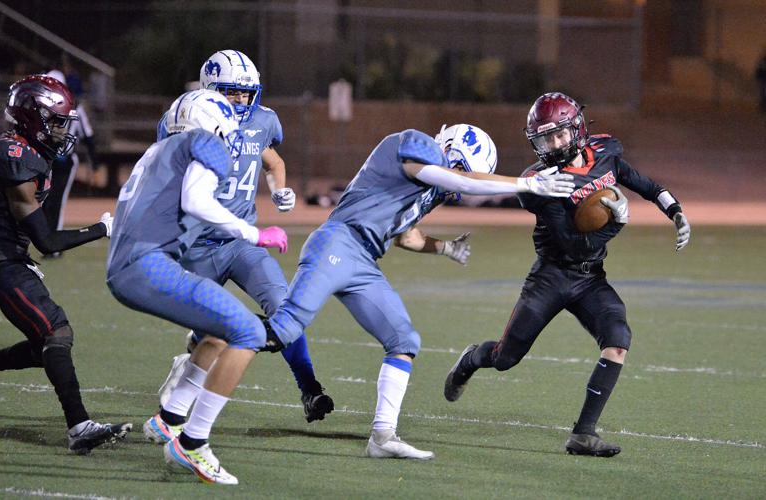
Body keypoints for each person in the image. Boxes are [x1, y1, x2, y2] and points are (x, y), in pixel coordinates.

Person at [261, 123, 575, 460]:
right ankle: (209, 346)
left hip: (364, 262)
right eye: (459, 170)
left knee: (403, 340)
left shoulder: (430, 188)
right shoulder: (414, 145)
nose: (457, 184)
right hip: (337, 242)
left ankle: (382, 436)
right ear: (452, 153)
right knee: (285, 328)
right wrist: (527, 183)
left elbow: (405, 234)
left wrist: (445, 249)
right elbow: (460, 181)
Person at [443, 92, 692, 458]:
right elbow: (574, 245)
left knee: (618, 338)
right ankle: (470, 359)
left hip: (591, 278)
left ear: (576, 128)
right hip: (552, 276)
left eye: (559, 134)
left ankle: (583, 434)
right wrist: (616, 224)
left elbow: (642, 183)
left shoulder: (605, 151)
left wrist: (675, 211)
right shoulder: (542, 183)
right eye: (546, 138)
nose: (555, 144)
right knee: (505, 358)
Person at [146, 50, 333, 443]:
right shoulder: (186, 119)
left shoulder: (262, 120)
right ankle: (183, 390)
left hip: (241, 241)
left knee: (286, 309)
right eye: (233, 93)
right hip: (194, 245)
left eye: (248, 93)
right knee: (213, 334)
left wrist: (279, 188)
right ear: (211, 89)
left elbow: (272, 159)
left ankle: (310, 388)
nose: (243, 102)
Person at [106, 89, 288, 485]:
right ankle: (193, 441)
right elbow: (196, 200)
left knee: (219, 332)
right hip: (148, 264)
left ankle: (167, 420)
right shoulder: (204, 142)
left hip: (124, 265)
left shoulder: (158, 150)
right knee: (250, 331)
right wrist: (254, 234)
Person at [0, 74, 130, 454]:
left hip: (3, 256)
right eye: (58, 120)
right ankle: (79, 427)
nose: (64, 129)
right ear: (33, 117)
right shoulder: (13, 155)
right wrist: (101, 228)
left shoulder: (28, 151)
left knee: (45, 344)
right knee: (56, 333)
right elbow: (48, 240)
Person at [40, 69, 100, 258]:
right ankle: (47, 241)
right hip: (46, 159)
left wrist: (94, 165)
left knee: (56, 202)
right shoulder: (40, 106)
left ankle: (54, 246)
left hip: (65, 162)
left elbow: (88, 137)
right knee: (46, 201)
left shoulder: (76, 108)